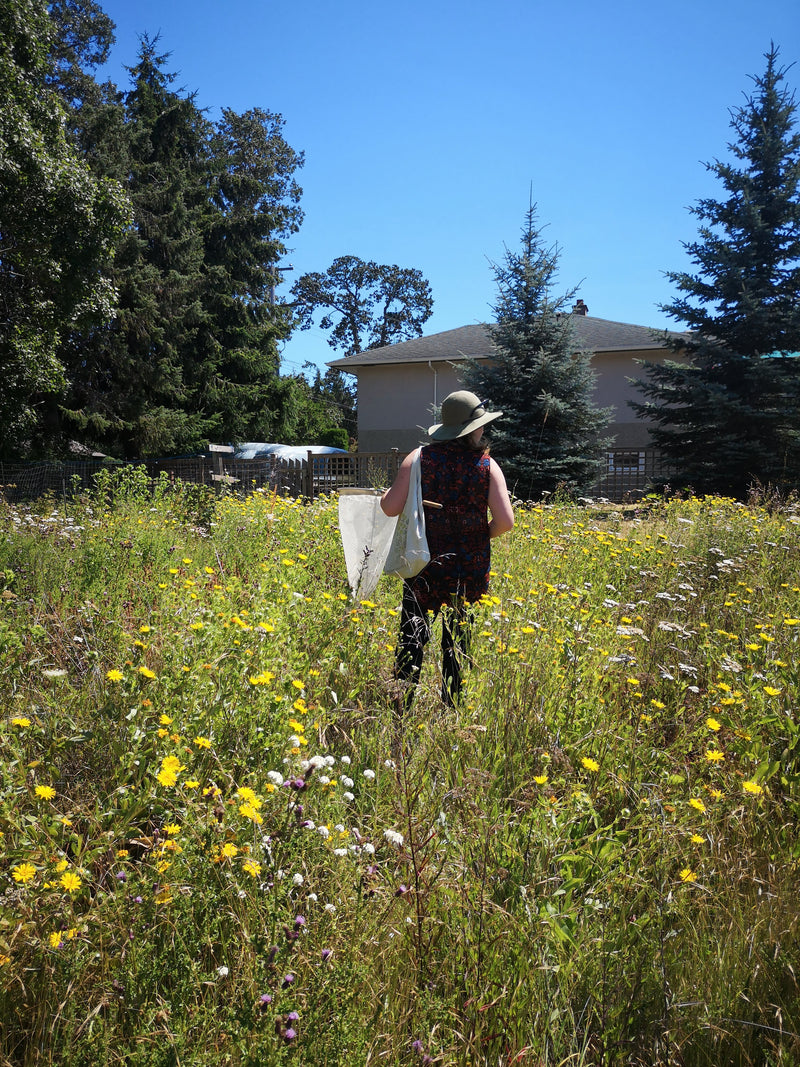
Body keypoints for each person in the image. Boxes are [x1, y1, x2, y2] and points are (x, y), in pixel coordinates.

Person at [381, 390, 514, 710]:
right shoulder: (487, 465)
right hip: (468, 568)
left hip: (423, 563)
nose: (484, 429)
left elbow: (389, 508)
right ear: (473, 429)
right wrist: (478, 538)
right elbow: (506, 521)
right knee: (457, 640)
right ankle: (452, 711)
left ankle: (401, 706)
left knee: (412, 636)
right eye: (481, 424)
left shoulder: (417, 459)